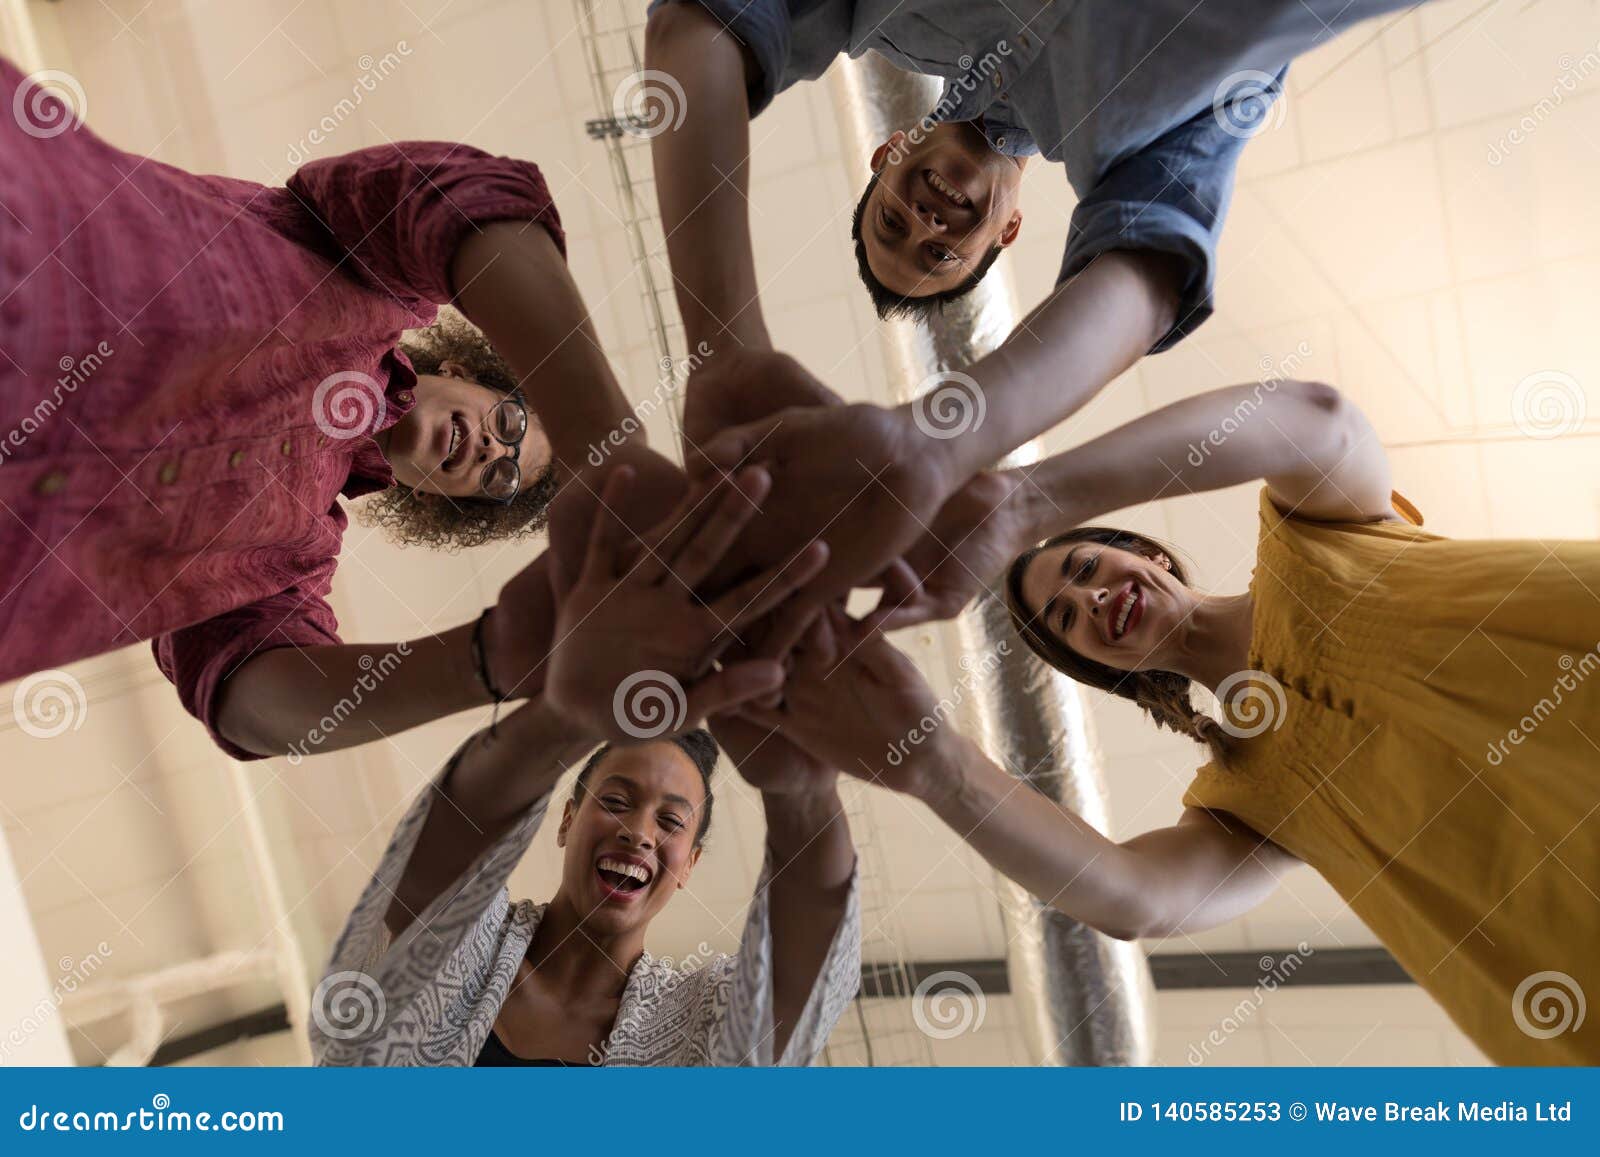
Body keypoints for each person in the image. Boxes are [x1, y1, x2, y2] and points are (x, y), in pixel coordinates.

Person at [743, 377, 1600, 1065]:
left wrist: (1028, 503)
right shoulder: (1247, 800)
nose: (1087, 597)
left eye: (1083, 566)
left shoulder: (1318, 539)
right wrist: (935, 765)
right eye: (1070, 621)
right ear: (1111, 669)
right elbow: (1134, 899)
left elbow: (1319, 417)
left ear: (1146, 554)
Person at [641, 0, 1442, 658]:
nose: (926, 222)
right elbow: (1145, 278)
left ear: (888, 151)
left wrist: (725, 352)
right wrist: (940, 446)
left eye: (892, 223)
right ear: (1007, 232)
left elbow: (701, 22)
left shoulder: (872, 16)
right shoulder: (1154, 142)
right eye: (941, 251)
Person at [0, 56, 667, 761]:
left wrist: (494, 658)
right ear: (469, 371)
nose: (492, 452)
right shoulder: (370, 277)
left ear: (443, 500)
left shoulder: (289, 561)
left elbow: (251, 695)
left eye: (498, 477)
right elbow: (462, 195)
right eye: (510, 424)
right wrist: (611, 447)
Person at [312, 474, 858, 1066]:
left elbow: (807, 978)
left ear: (691, 864)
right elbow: (436, 861)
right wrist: (565, 713)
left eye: (672, 821)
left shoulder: (697, 1024)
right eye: (617, 801)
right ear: (568, 819)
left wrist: (802, 792)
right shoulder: (467, 947)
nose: (639, 832)